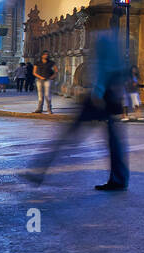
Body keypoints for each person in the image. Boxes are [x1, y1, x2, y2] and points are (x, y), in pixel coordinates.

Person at [25, 28, 130, 192]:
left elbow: (103, 69)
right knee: (113, 140)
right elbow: (118, 70)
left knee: (69, 134)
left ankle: (40, 169)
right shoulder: (117, 42)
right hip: (111, 97)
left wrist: (97, 93)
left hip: (100, 98)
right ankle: (119, 178)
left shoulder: (101, 39)